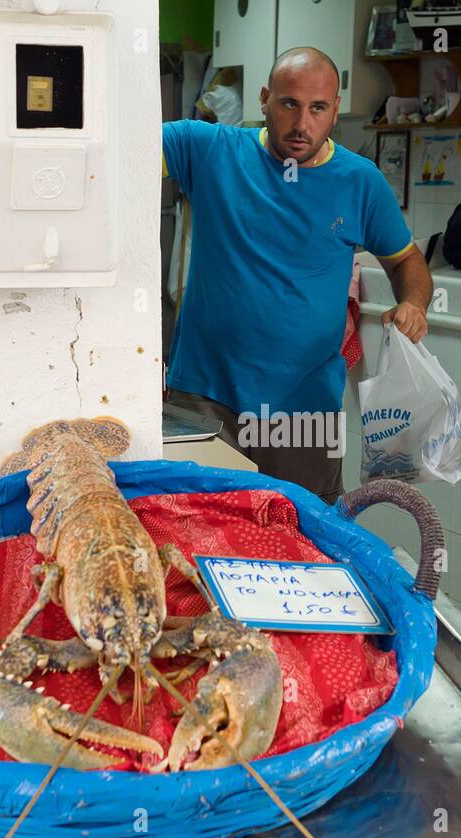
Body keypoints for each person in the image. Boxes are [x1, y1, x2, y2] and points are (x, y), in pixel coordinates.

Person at [162, 47, 433, 504]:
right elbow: (116, 149)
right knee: (194, 541)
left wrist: (414, 302)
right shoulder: (207, 149)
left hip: (304, 410)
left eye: (318, 108)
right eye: (289, 104)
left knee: (305, 550)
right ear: (265, 99)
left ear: (335, 109)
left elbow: (407, 261)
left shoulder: (360, 181)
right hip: (205, 397)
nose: (302, 123)